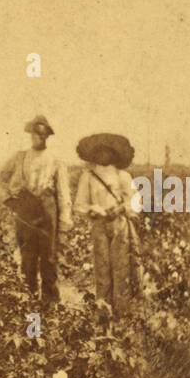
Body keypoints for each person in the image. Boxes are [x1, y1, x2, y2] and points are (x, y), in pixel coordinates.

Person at [0, 115, 74, 305]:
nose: (37, 137)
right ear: (30, 134)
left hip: (48, 211)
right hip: (25, 211)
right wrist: (8, 198)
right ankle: (28, 301)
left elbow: (63, 193)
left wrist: (64, 220)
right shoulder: (20, 157)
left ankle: (50, 304)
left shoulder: (56, 160)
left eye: (41, 133)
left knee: (49, 257)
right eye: (34, 133)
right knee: (27, 257)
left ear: (47, 135)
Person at [74, 134, 140, 316]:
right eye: (100, 151)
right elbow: (79, 205)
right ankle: (104, 316)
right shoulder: (88, 176)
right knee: (102, 271)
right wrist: (92, 209)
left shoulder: (123, 176)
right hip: (99, 226)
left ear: (114, 154)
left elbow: (135, 202)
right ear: (94, 154)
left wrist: (119, 209)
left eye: (107, 151)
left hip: (120, 225)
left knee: (122, 270)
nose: (103, 155)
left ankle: (122, 315)